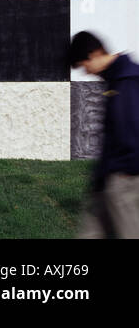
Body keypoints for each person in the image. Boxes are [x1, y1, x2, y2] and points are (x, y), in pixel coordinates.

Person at [69, 30, 139, 239]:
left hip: (124, 181)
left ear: (96, 53)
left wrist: (126, 171)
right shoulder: (116, 81)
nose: (87, 72)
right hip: (106, 181)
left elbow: (132, 132)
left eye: (85, 65)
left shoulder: (129, 81)